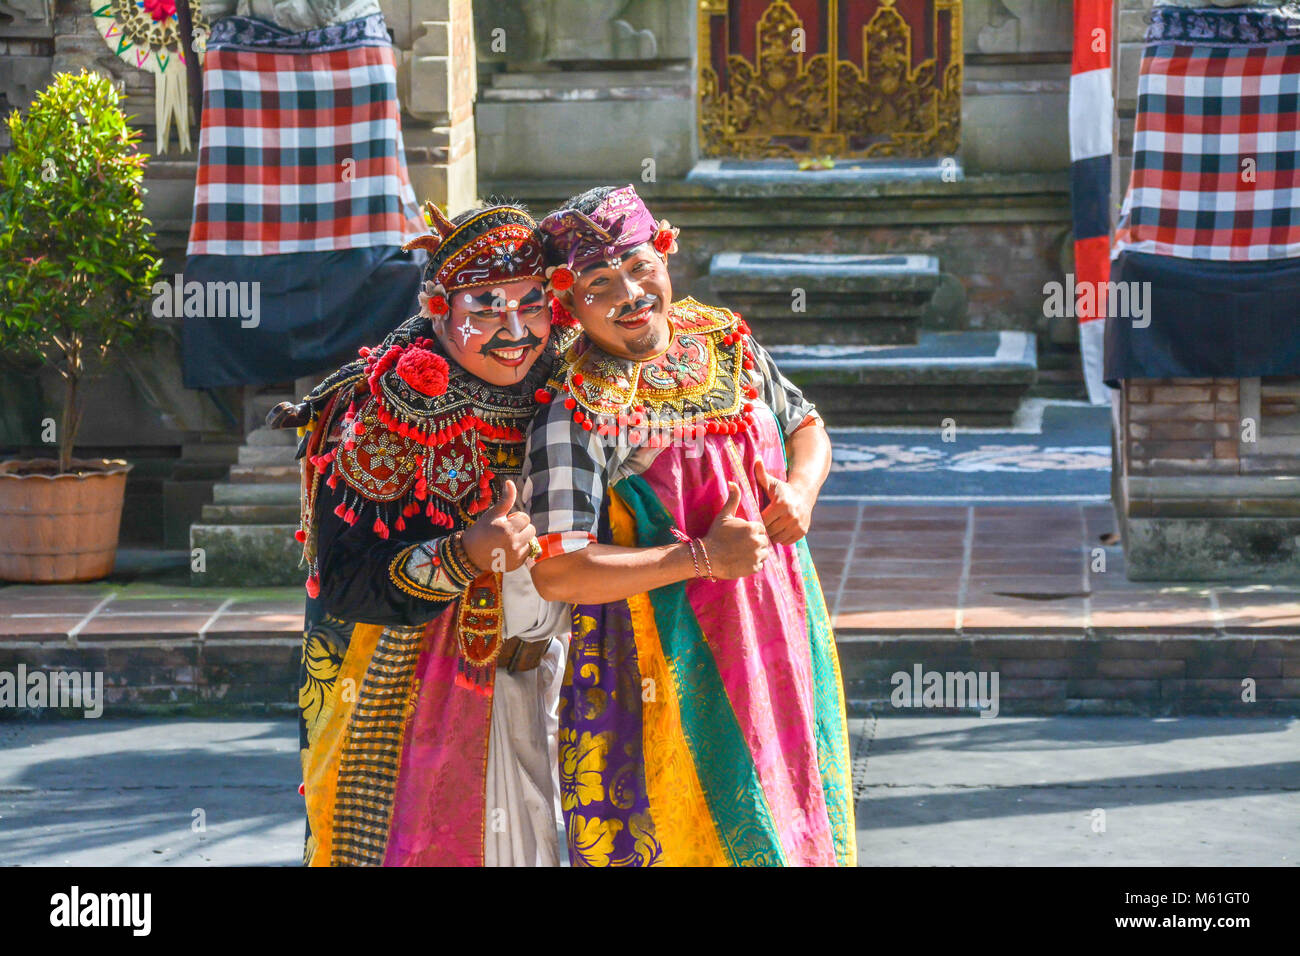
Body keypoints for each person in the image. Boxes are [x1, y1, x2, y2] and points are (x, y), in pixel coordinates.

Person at [521, 184, 855, 866]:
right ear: (569, 305)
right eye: (600, 284)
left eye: (641, 267)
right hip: (657, 664)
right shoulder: (575, 408)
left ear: (665, 255)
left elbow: (807, 427)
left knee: (788, 812)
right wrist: (702, 558)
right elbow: (557, 570)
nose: (631, 294)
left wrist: (800, 491)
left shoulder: (723, 339)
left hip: (777, 630)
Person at [275, 200, 572, 866]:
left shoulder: (565, 378)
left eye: (532, 304)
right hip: (400, 693)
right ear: (440, 308)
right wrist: (463, 554)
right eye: (488, 309)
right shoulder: (382, 409)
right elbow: (344, 583)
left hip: (542, 673)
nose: (516, 331)